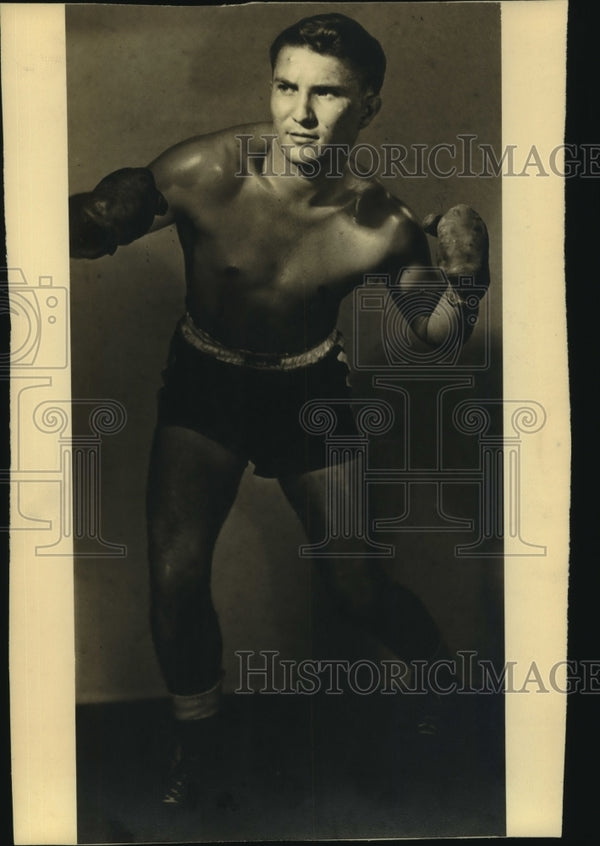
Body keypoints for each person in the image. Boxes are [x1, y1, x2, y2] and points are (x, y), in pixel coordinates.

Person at [69, 13, 490, 807]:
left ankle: (446, 685)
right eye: (285, 86)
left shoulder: (384, 227)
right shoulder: (203, 170)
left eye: (326, 94)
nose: (299, 113)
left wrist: (469, 281)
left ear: (368, 105)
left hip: (309, 391)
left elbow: (435, 336)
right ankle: (202, 747)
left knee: (356, 590)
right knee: (176, 577)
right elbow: (92, 222)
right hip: (208, 383)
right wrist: (84, 219)